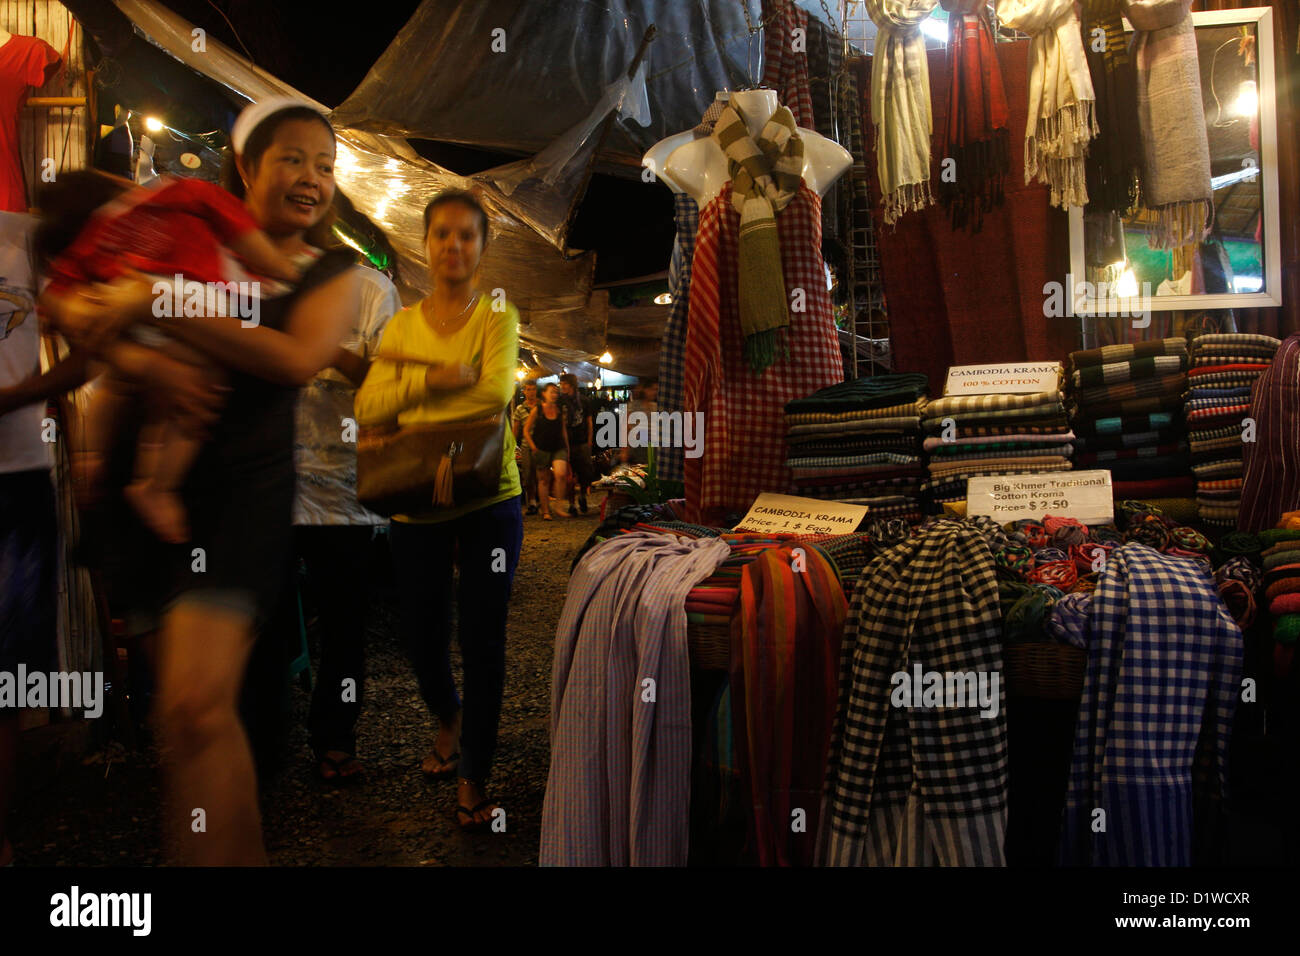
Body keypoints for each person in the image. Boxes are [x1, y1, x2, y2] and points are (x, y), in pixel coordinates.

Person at [44, 97, 360, 865]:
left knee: (194, 706)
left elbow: (290, 359)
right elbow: (77, 313)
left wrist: (153, 299)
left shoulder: (329, 269)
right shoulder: (178, 228)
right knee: (184, 726)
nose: (311, 178)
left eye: (325, 165)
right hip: (137, 490)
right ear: (245, 167)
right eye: (292, 158)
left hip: (237, 501)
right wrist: (139, 349)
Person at [355, 189, 523, 830]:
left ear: (482, 247)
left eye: (466, 236)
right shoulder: (401, 323)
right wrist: (434, 379)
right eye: (442, 235)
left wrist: (412, 398)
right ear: (424, 245)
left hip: (489, 493)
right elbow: (368, 408)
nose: (453, 246)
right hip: (413, 499)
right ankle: (447, 716)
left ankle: (474, 774)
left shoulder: (498, 315)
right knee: (421, 638)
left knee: (485, 639)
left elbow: (496, 393)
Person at [36, 171, 304, 544]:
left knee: (117, 386)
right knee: (201, 386)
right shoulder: (178, 193)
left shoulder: (85, 240)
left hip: (128, 306)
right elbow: (240, 230)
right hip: (184, 297)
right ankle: (157, 485)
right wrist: (285, 270)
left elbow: (60, 299)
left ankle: (89, 456)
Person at [0, 209, 93, 867]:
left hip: (16, 482)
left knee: (8, 672)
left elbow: (93, 344)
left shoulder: (22, 240)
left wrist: (19, 397)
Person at [285, 262, 400, 782]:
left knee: (342, 626)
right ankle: (253, 745)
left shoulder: (372, 290)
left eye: (323, 173)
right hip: (267, 487)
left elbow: (392, 386)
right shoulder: (257, 276)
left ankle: (334, 741)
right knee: (255, 621)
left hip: (343, 496)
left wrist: (328, 351)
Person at [525, 382, 573, 519]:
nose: (554, 395)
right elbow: (526, 430)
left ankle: (558, 506)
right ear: (544, 394)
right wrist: (533, 446)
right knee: (544, 480)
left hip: (558, 447)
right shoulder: (538, 410)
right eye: (551, 392)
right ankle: (545, 510)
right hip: (542, 448)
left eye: (556, 392)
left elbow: (563, 430)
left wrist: (567, 448)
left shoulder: (559, 409)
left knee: (560, 474)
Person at [558, 372, 594, 514]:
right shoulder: (560, 402)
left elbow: (589, 422)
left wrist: (590, 441)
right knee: (569, 477)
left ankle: (583, 496)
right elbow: (560, 424)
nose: (562, 387)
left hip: (582, 441)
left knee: (585, 473)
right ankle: (572, 504)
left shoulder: (584, 401)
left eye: (564, 384)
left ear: (571, 385)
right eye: (561, 384)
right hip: (566, 443)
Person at [512, 378, 540, 514]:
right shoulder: (520, 409)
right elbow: (516, 429)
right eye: (528, 389)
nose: (531, 392)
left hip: (541, 444)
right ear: (524, 391)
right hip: (526, 446)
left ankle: (543, 502)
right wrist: (512, 446)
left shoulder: (542, 406)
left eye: (533, 389)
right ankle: (532, 502)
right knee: (528, 475)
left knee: (542, 474)